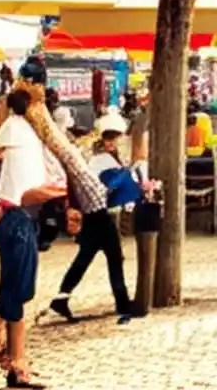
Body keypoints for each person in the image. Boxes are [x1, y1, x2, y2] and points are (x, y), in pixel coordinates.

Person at [0, 89, 65, 390]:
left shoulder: (18, 140)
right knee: (15, 296)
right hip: (17, 222)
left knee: (20, 294)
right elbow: (7, 199)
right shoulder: (17, 133)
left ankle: (17, 364)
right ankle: (13, 359)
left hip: (19, 222)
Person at [50, 112, 134, 322]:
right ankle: (122, 303)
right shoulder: (89, 160)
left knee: (86, 258)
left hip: (95, 214)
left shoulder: (85, 159)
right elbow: (97, 189)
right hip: (98, 215)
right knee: (113, 258)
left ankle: (62, 296)